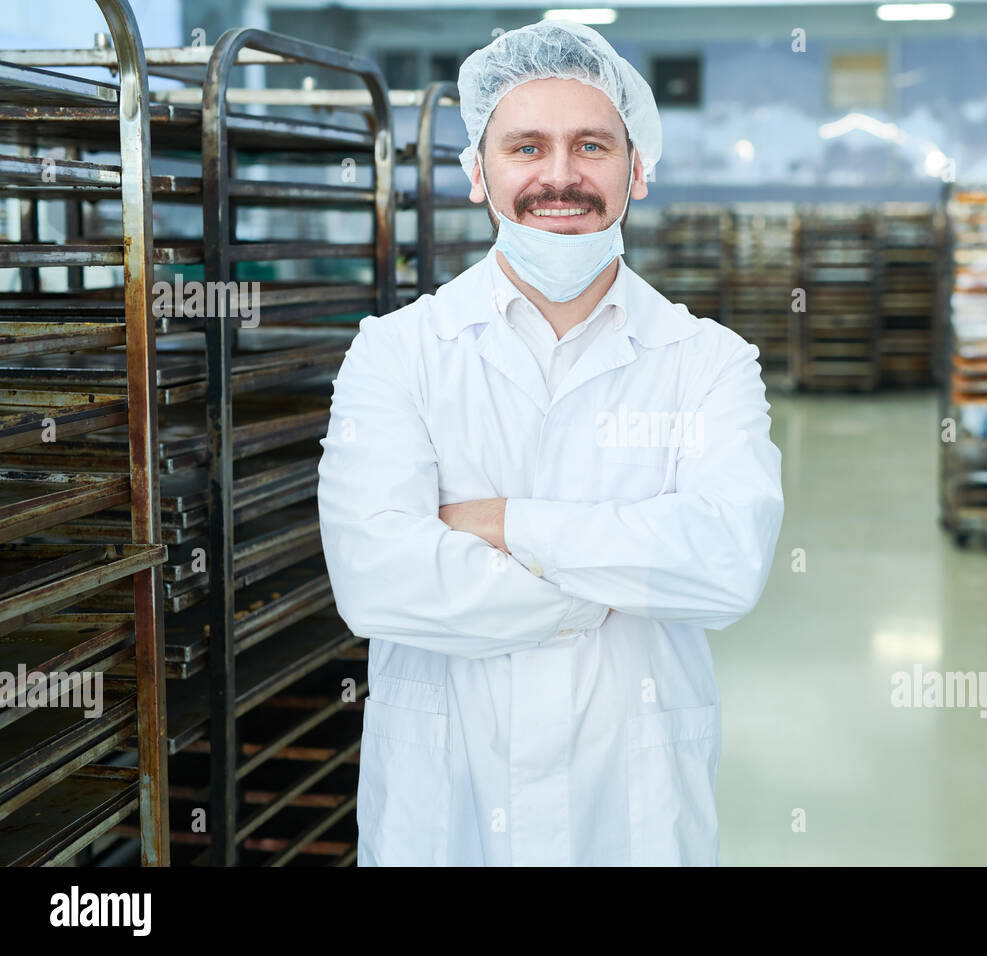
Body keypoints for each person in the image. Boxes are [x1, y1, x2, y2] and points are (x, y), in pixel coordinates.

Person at [316, 18, 784, 866]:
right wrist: (606, 588)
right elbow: (376, 577)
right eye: (527, 147)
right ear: (477, 174)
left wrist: (502, 524)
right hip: (445, 807)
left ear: (637, 169)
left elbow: (725, 562)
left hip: (635, 809)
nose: (560, 176)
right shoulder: (397, 352)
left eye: (592, 146)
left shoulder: (708, 361)